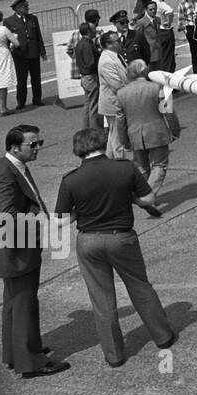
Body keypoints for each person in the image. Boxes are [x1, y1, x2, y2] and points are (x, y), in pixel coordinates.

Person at [53, 128, 175, 368]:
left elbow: (60, 220)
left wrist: (81, 211)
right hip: (122, 237)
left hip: (89, 240)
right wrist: (130, 198)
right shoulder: (125, 169)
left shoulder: (71, 179)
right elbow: (149, 199)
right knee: (140, 286)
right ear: (102, 143)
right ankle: (163, 336)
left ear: (78, 150)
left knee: (102, 298)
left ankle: (114, 355)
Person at [0, 125, 70, 378]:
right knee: (24, 305)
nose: (38, 148)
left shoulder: (14, 165)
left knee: (14, 304)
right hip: (15, 250)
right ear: (15, 147)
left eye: (40, 142)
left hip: (18, 247)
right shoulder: (4, 172)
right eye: (33, 144)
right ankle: (31, 362)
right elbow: (6, 215)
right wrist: (45, 223)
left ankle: (15, 354)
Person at [109, 60, 174, 199]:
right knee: (159, 165)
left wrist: (124, 140)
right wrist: (174, 130)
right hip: (156, 133)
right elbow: (168, 111)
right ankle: (146, 197)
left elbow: (120, 121)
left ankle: (139, 194)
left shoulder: (121, 93)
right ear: (144, 71)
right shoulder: (157, 87)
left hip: (135, 135)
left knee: (142, 168)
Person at [97, 28, 132, 161]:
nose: (120, 42)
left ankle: (109, 160)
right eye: (117, 41)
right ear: (108, 44)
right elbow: (116, 85)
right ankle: (119, 162)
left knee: (113, 134)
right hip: (113, 102)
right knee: (118, 135)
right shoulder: (107, 61)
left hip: (116, 101)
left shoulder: (115, 55)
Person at [4, 0, 45, 108]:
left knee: (36, 78)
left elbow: (38, 36)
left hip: (33, 52)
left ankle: (37, 99)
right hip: (20, 54)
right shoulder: (8, 21)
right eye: (25, 7)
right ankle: (21, 101)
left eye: (27, 6)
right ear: (18, 8)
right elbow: (7, 39)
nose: (27, 8)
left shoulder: (33, 18)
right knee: (21, 79)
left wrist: (42, 51)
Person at [74, 21, 101, 130]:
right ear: (89, 31)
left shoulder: (80, 43)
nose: (96, 31)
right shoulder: (87, 45)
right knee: (94, 106)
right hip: (91, 77)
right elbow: (90, 63)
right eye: (94, 29)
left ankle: (86, 129)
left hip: (85, 77)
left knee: (88, 105)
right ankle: (95, 130)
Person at [151, 0, 176, 72]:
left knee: (161, 56)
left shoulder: (151, 3)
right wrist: (168, 23)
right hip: (165, 31)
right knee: (168, 57)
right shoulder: (160, 3)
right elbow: (170, 11)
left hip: (156, 31)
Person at [179, 0, 197, 70]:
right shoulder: (183, 4)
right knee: (194, 52)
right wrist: (187, 32)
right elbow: (181, 20)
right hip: (191, 28)